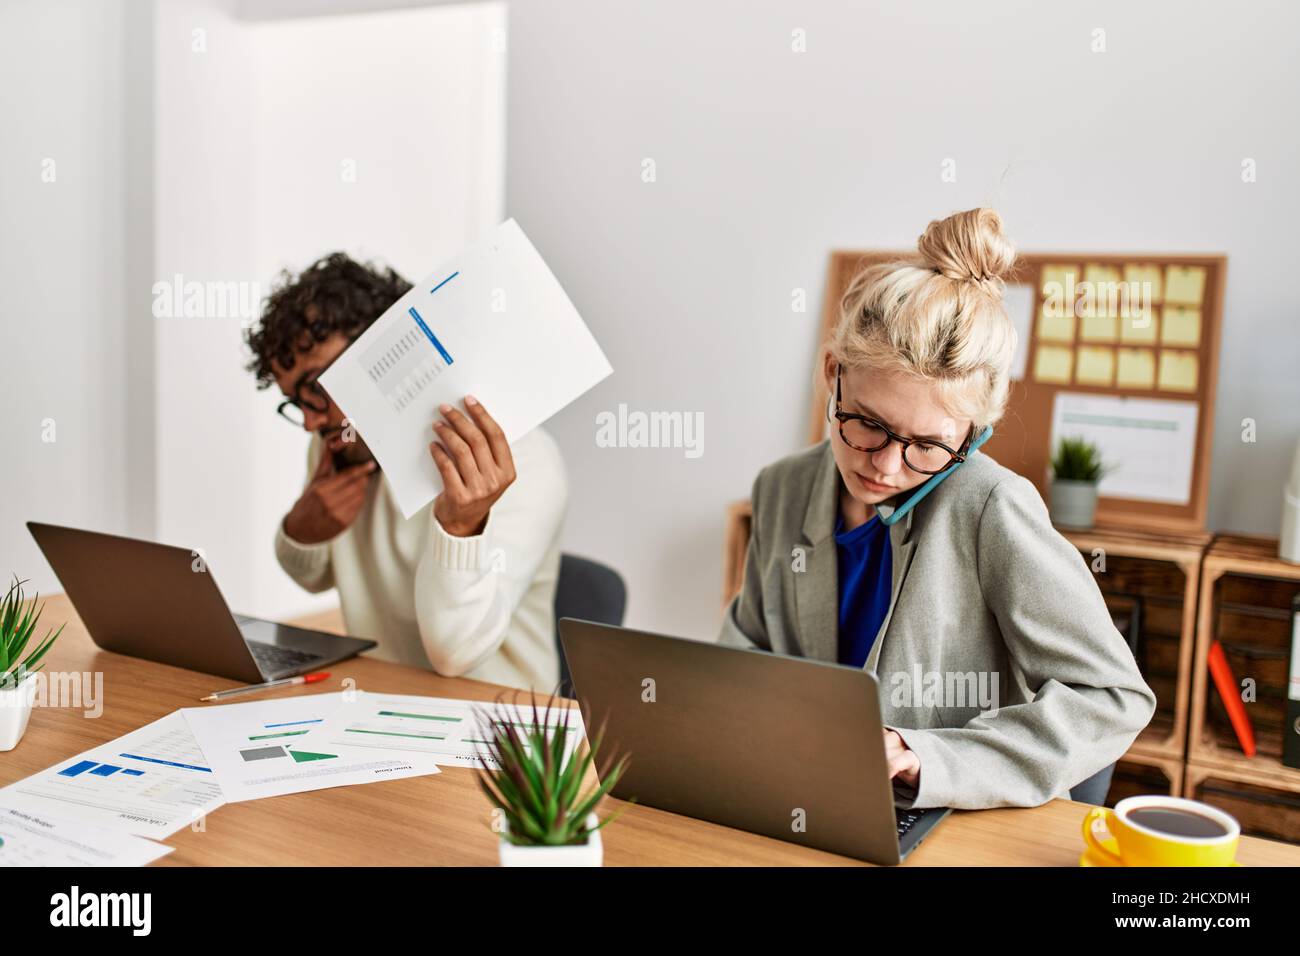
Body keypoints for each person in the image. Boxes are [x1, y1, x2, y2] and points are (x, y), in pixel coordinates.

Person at [719, 208, 1157, 810]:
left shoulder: (990, 507)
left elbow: (1111, 697)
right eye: (867, 424)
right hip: (799, 798)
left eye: (927, 445)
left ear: (974, 432)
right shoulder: (781, 489)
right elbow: (743, 651)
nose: (887, 466)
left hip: (935, 823)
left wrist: (929, 757)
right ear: (832, 374)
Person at [244, 252, 568, 691]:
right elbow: (314, 576)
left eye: (317, 389)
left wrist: (460, 527)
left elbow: (456, 654)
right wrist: (301, 530)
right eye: (296, 401)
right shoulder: (337, 443)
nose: (309, 421)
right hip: (381, 706)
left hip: (500, 730)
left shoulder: (524, 461)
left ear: (391, 355)